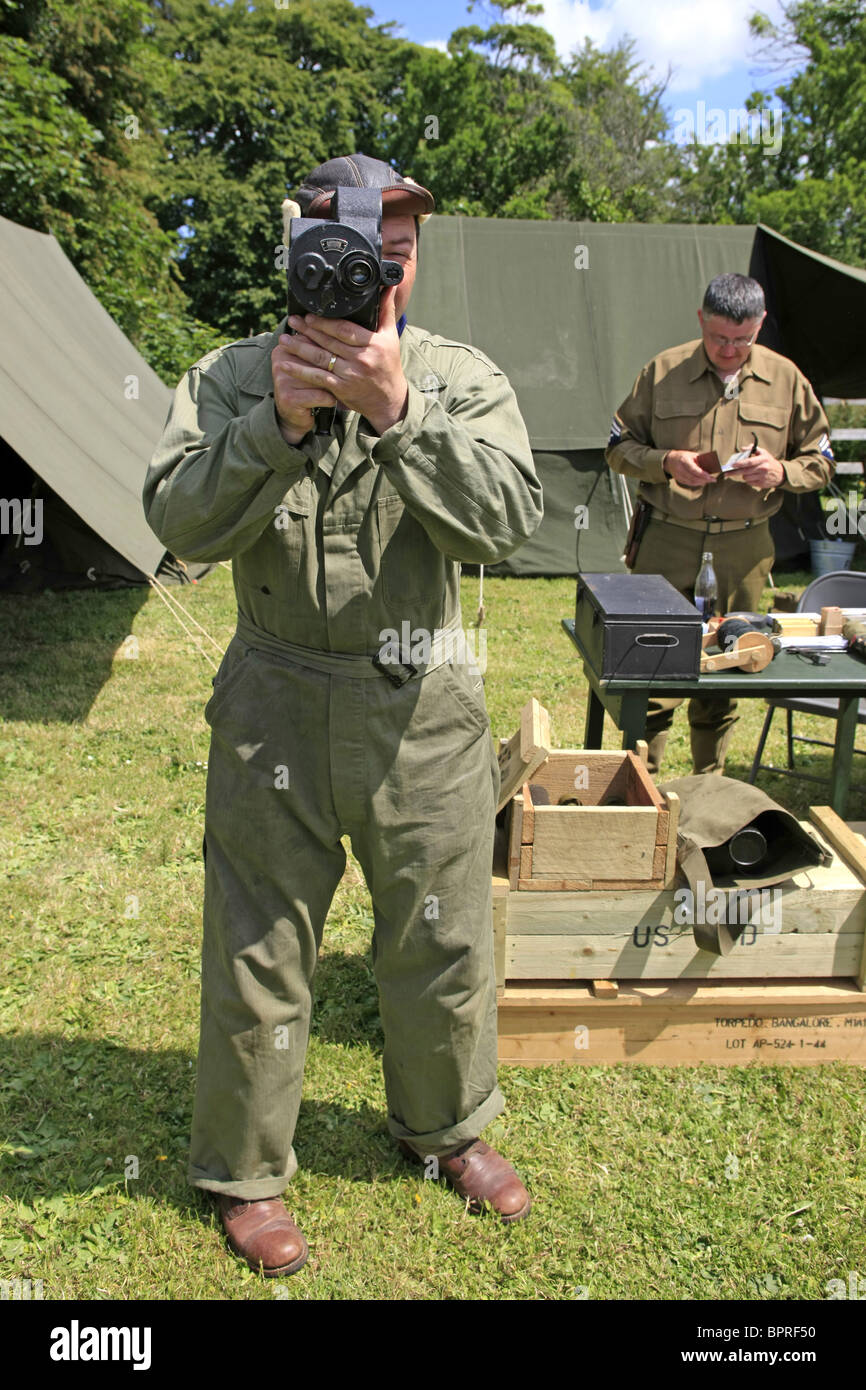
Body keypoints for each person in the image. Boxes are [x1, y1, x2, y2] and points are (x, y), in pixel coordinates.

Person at [142, 153, 543, 1277]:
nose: (366, 267)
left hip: (420, 696)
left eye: (389, 252)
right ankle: (247, 1169)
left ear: (408, 264)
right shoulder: (230, 375)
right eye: (339, 245)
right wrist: (274, 421)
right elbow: (177, 519)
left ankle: (443, 1126)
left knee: (440, 931)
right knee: (259, 942)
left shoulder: (456, 377)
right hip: (273, 691)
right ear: (291, 252)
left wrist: (396, 409)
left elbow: (508, 522)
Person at [605, 272, 834, 776]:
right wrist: (665, 462)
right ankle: (641, 787)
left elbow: (821, 462)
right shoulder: (662, 371)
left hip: (742, 551)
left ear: (761, 325)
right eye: (718, 337)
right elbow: (617, 449)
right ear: (701, 319)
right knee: (651, 668)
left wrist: (780, 471)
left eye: (742, 339)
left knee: (727, 664)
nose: (729, 350)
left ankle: (709, 790)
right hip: (666, 540)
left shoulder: (786, 379)